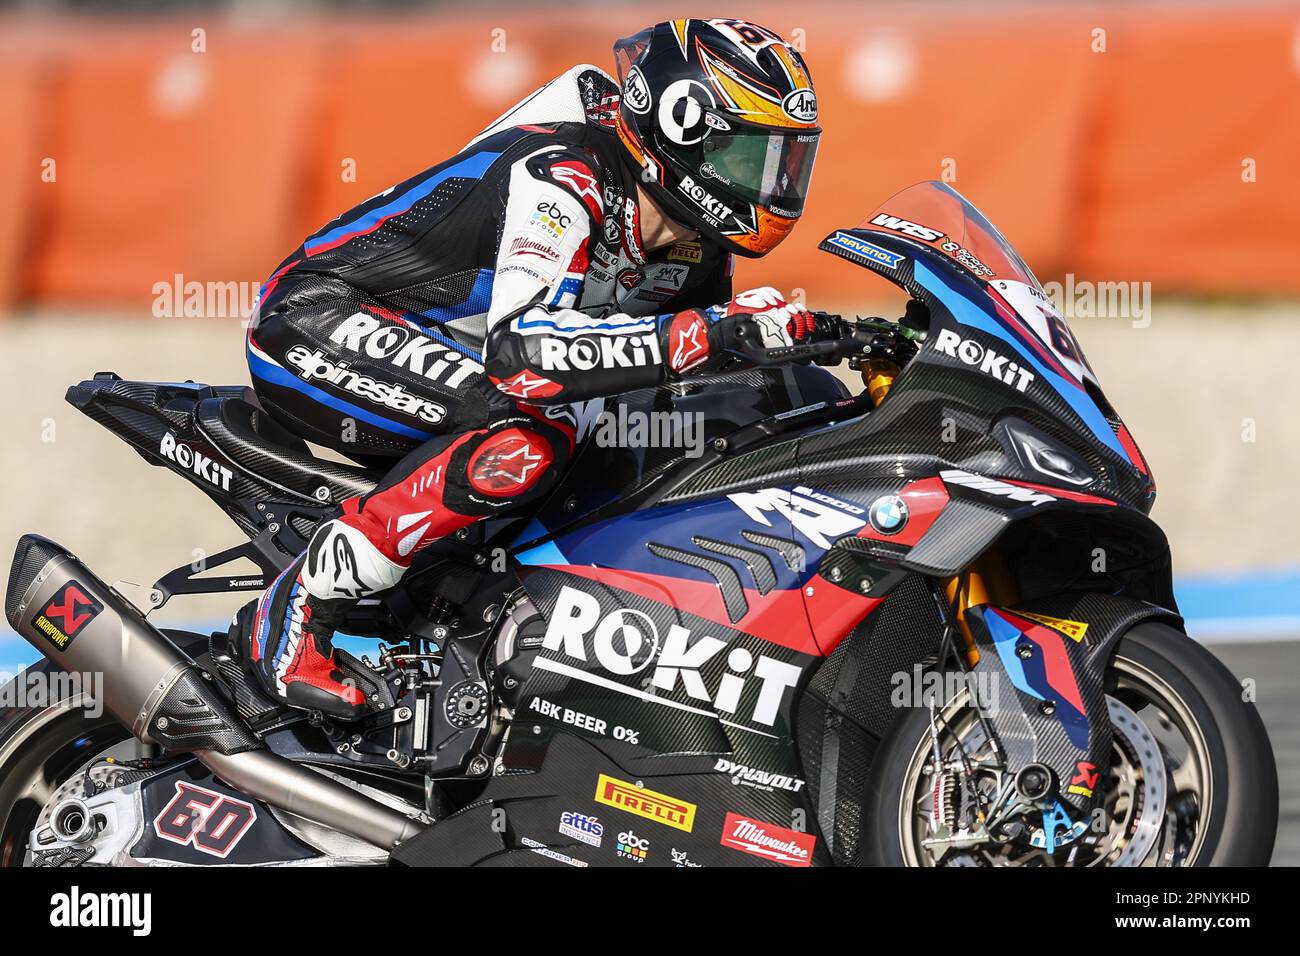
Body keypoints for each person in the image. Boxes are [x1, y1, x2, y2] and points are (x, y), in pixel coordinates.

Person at [236, 18, 828, 718]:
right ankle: (302, 603)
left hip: (452, 355)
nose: (773, 185)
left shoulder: (697, 249)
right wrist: (705, 333)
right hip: (317, 318)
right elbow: (525, 351)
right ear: (684, 129)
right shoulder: (565, 173)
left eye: (787, 163)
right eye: (752, 158)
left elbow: (678, 389)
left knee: (655, 431)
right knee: (526, 435)